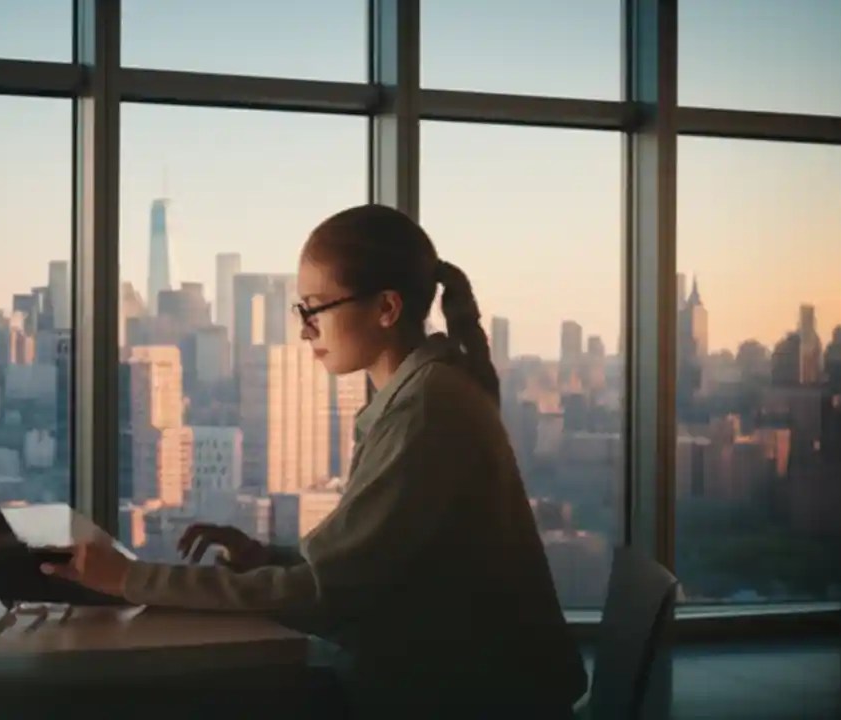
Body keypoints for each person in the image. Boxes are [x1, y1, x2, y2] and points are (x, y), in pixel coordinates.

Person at [43, 204, 587, 716]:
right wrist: (269, 557)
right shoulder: (419, 393)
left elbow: (327, 596)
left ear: (387, 309)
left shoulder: (427, 412)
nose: (305, 329)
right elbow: (371, 564)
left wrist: (132, 579)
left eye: (316, 309)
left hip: (464, 702)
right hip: (448, 683)